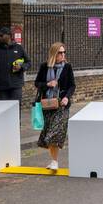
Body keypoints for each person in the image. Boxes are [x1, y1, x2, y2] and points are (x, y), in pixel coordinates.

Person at [34, 41, 75, 171]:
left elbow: (72, 85)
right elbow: (37, 83)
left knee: (54, 133)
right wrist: (47, 84)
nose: (63, 55)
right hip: (48, 104)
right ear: (54, 53)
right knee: (49, 133)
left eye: (64, 52)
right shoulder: (45, 67)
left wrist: (66, 97)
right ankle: (54, 161)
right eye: (60, 52)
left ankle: (54, 161)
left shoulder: (67, 67)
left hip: (62, 105)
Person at [0, 27, 30, 101]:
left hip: (16, 85)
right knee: (4, 109)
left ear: (8, 36)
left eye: (1, 35)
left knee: (16, 108)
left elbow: (28, 62)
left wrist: (21, 67)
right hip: (2, 87)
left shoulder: (19, 48)